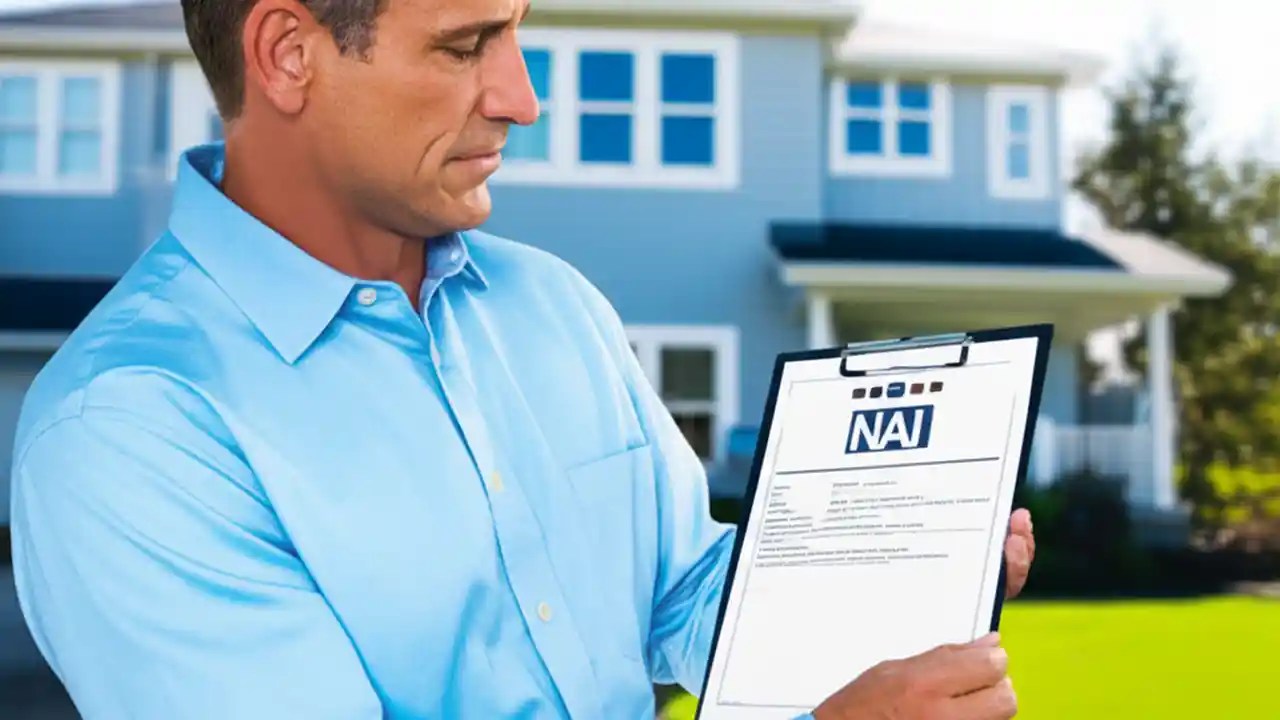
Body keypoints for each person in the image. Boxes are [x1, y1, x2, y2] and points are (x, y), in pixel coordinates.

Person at [8, 1, 1036, 718]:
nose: (520, 97)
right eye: (465, 46)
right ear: (286, 54)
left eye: (517, 34)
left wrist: (900, 563)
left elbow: (680, 592)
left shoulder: (553, 307)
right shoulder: (128, 429)